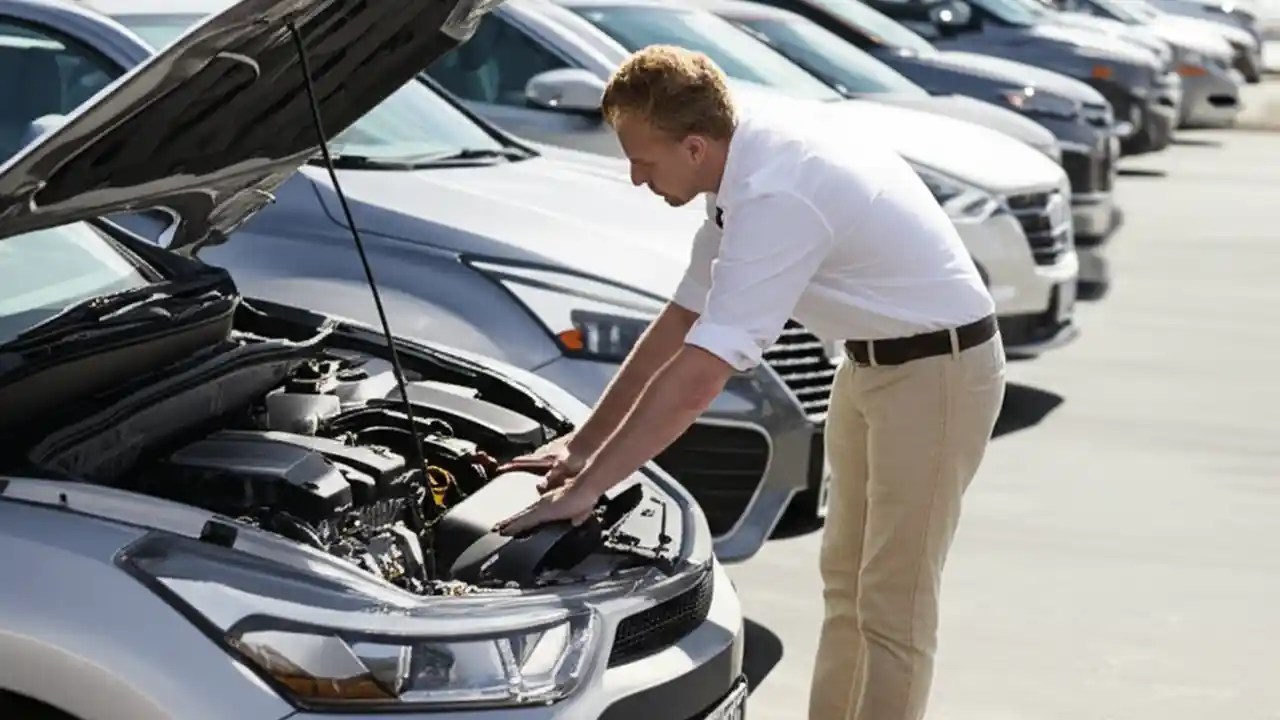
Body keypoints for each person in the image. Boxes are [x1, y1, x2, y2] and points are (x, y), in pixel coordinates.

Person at [492, 45, 1007, 720]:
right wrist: (582, 447)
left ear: (696, 147)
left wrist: (591, 490)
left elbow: (701, 374)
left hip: (939, 375)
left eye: (643, 160)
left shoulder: (776, 192)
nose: (636, 178)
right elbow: (683, 318)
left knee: (893, 602)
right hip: (869, 365)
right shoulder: (740, 161)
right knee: (846, 586)